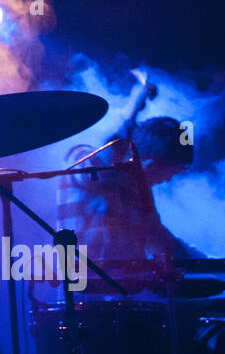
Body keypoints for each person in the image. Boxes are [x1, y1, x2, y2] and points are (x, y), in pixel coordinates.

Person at [56, 73, 202, 282]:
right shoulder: (80, 158)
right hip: (88, 297)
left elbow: (159, 238)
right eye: (170, 173)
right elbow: (102, 164)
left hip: (130, 296)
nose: (168, 180)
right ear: (152, 161)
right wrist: (131, 113)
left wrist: (207, 261)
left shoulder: (140, 189)